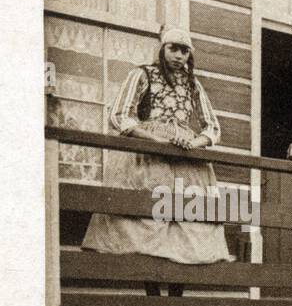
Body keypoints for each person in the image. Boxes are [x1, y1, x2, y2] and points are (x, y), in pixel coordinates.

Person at [80, 26, 234, 266]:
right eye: (173, 49)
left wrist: (193, 143)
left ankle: (176, 294)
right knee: (146, 218)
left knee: (187, 221)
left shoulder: (193, 84)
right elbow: (120, 115)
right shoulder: (142, 74)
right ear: (162, 49)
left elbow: (213, 127)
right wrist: (154, 139)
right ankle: (151, 290)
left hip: (185, 157)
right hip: (149, 155)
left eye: (184, 51)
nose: (178, 56)